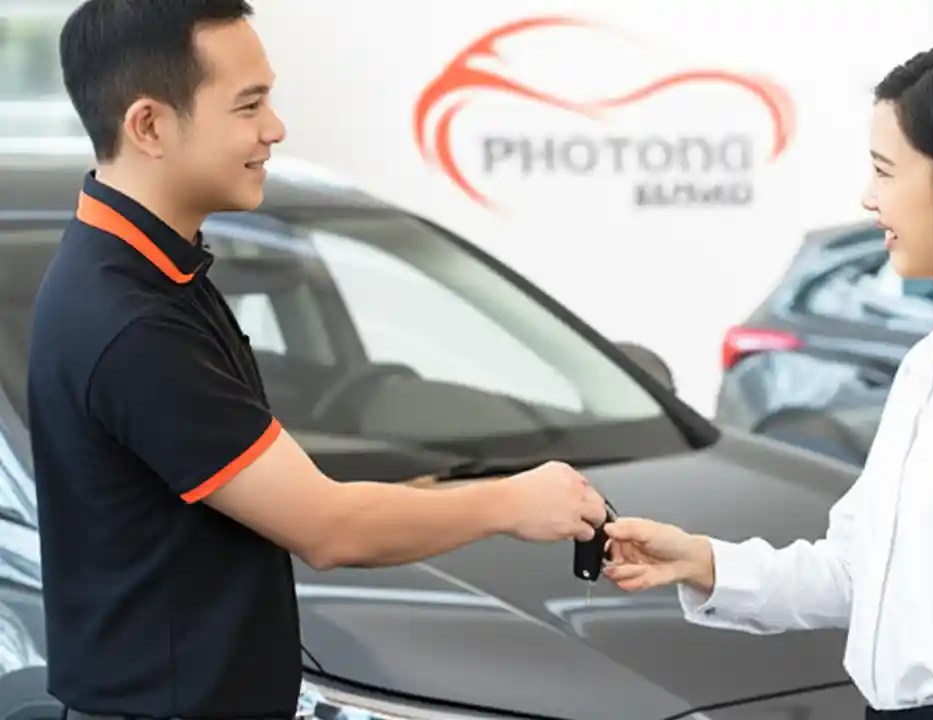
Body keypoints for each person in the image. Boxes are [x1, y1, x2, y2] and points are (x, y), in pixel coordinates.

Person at [27, 2, 607, 718]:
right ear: (148, 125)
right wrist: (513, 500)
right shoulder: (129, 321)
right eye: (249, 105)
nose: (275, 128)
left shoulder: (148, 274)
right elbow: (330, 528)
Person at [603, 41, 933, 720]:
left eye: (885, 172)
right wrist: (700, 560)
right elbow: (855, 573)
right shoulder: (929, 363)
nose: (868, 198)